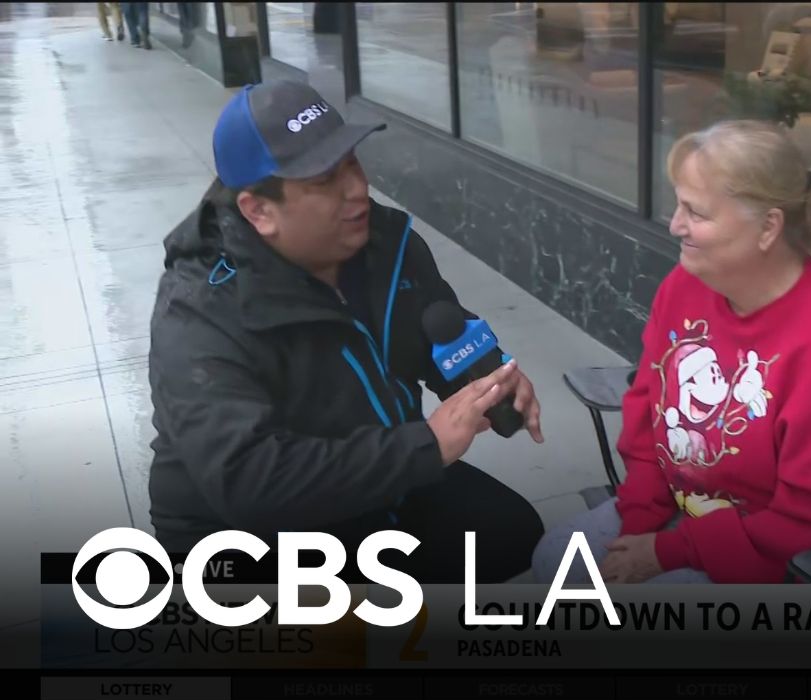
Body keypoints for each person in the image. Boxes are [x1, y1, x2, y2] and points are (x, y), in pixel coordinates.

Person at [148, 80, 545, 583]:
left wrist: (486, 379)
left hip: (379, 478)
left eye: (352, 163)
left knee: (512, 534)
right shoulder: (198, 312)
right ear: (259, 211)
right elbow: (250, 482)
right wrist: (425, 446)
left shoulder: (388, 243)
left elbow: (443, 331)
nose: (356, 189)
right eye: (322, 179)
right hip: (249, 536)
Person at [532, 120, 811, 584]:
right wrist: (637, 524)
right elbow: (648, 412)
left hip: (784, 558)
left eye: (697, 212)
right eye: (678, 205)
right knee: (554, 559)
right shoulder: (685, 287)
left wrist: (667, 551)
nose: (674, 225)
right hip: (688, 512)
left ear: (768, 227)